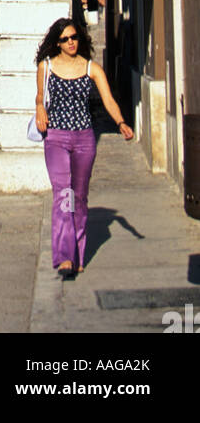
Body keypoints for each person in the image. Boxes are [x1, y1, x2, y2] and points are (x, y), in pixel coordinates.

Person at [35, 16, 133, 279]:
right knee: (63, 195)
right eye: (65, 39)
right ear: (56, 42)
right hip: (56, 137)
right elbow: (39, 97)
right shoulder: (46, 66)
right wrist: (40, 108)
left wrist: (121, 122)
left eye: (74, 37)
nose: (70, 43)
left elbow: (109, 100)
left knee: (78, 197)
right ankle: (65, 256)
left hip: (84, 139)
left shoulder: (92, 69)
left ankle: (77, 254)